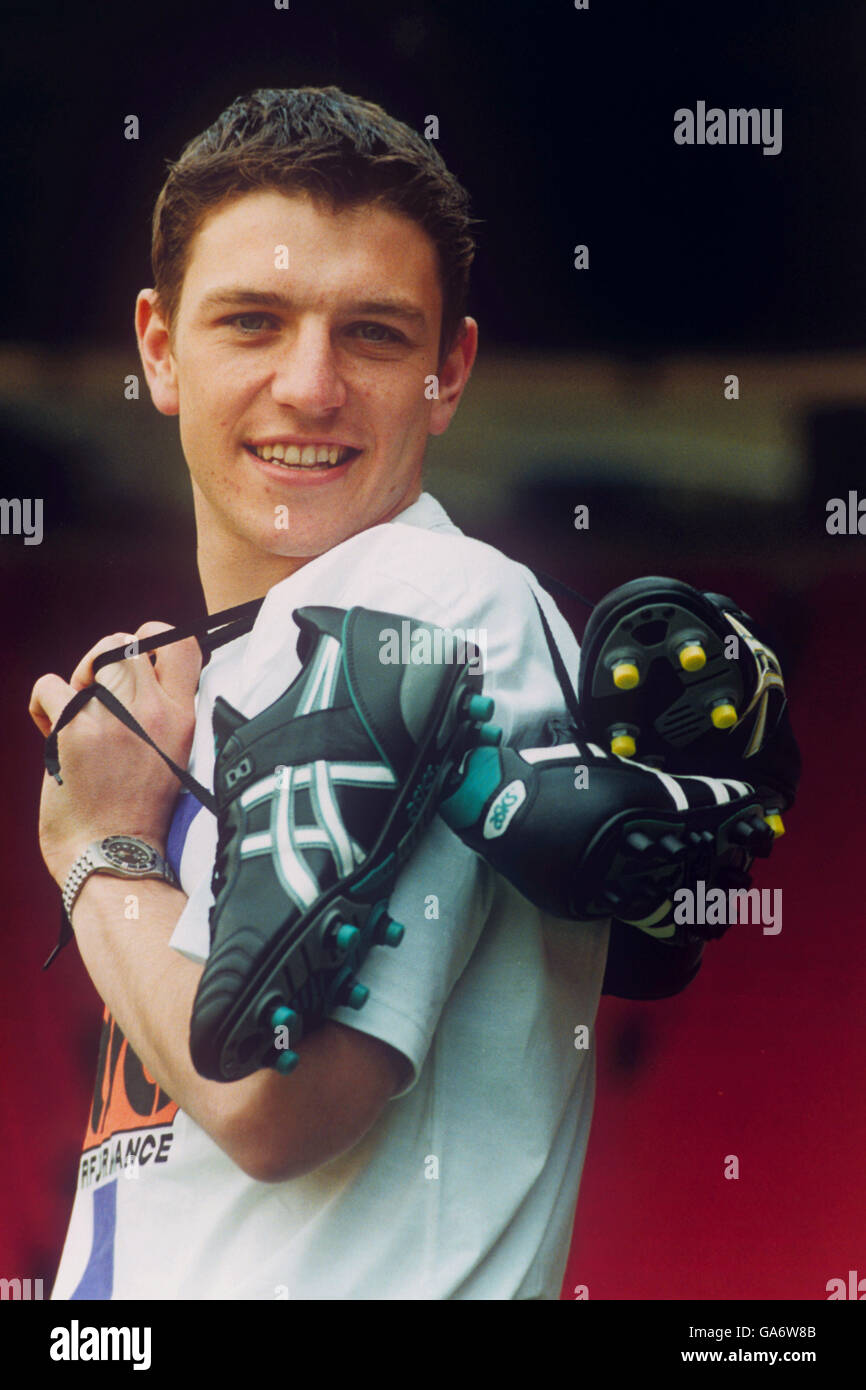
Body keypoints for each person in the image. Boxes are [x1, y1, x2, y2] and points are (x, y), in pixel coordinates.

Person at [30, 86, 792, 1301]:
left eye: (375, 334)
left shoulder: (428, 602)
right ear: (160, 351)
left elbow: (270, 1097)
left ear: (450, 371)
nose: (310, 386)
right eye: (252, 322)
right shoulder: (239, 663)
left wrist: (99, 846)